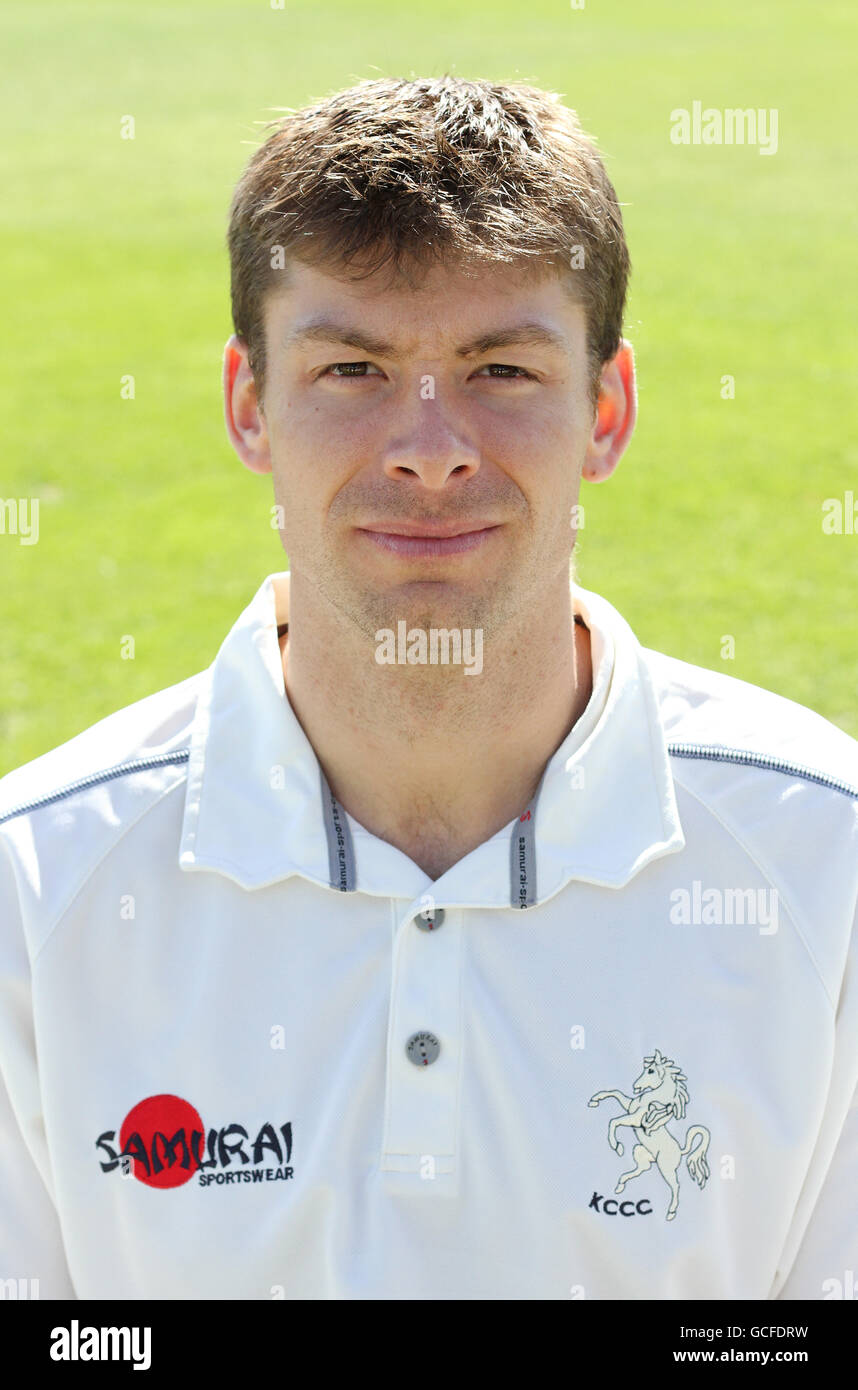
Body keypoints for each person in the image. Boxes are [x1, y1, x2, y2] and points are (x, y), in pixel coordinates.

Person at [0, 76, 855, 1301]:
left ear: (605, 410)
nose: (430, 443)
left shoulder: (826, 859)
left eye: (501, 369)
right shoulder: (33, 888)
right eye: (352, 368)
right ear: (250, 404)